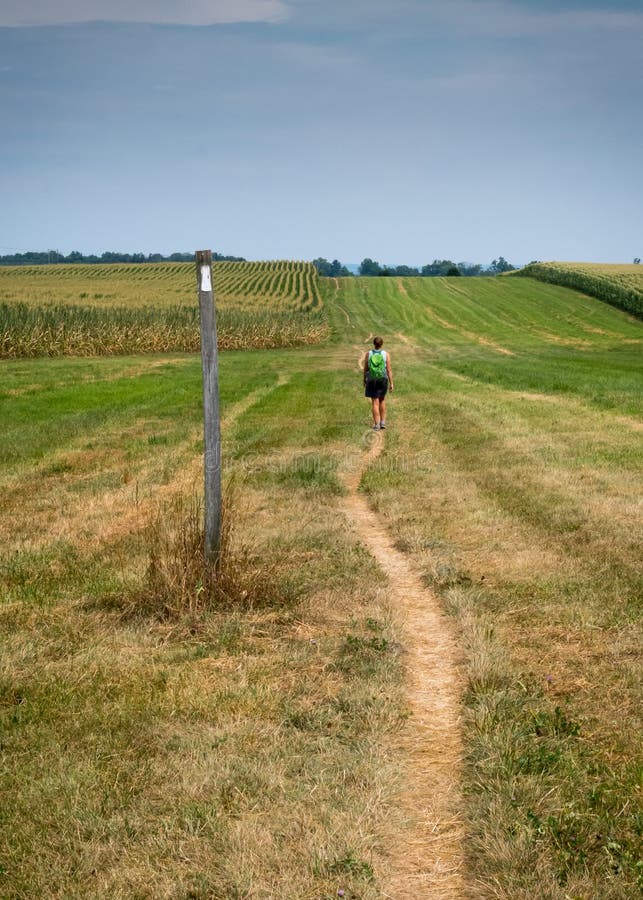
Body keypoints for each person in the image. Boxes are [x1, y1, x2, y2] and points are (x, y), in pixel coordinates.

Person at [364, 336, 394, 430]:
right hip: (383, 379)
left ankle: (376, 424)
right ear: (382, 344)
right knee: (382, 400)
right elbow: (388, 369)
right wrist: (391, 383)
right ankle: (383, 423)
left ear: (374, 344)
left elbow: (366, 369)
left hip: (372, 380)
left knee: (375, 402)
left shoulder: (368, 354)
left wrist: (364, 379)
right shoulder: (386, 354)